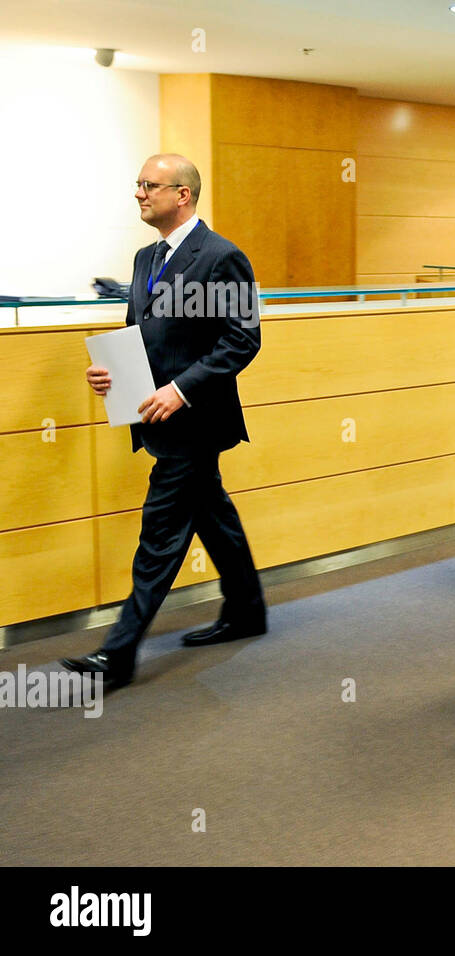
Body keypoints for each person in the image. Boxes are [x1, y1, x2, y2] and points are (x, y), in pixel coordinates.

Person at [61, 154, 266, 689]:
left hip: (196, 422)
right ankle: (247, 610)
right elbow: (137, 333)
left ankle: (118, 653)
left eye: (150, 185)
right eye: (139, 184)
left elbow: (243, 339)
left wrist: (180, 389)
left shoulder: (221, 256)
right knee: (212, 514)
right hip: (157, 417)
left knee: (161, 531)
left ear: (183, 195)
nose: (139, 193)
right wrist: (111, 375)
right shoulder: (145, 257)